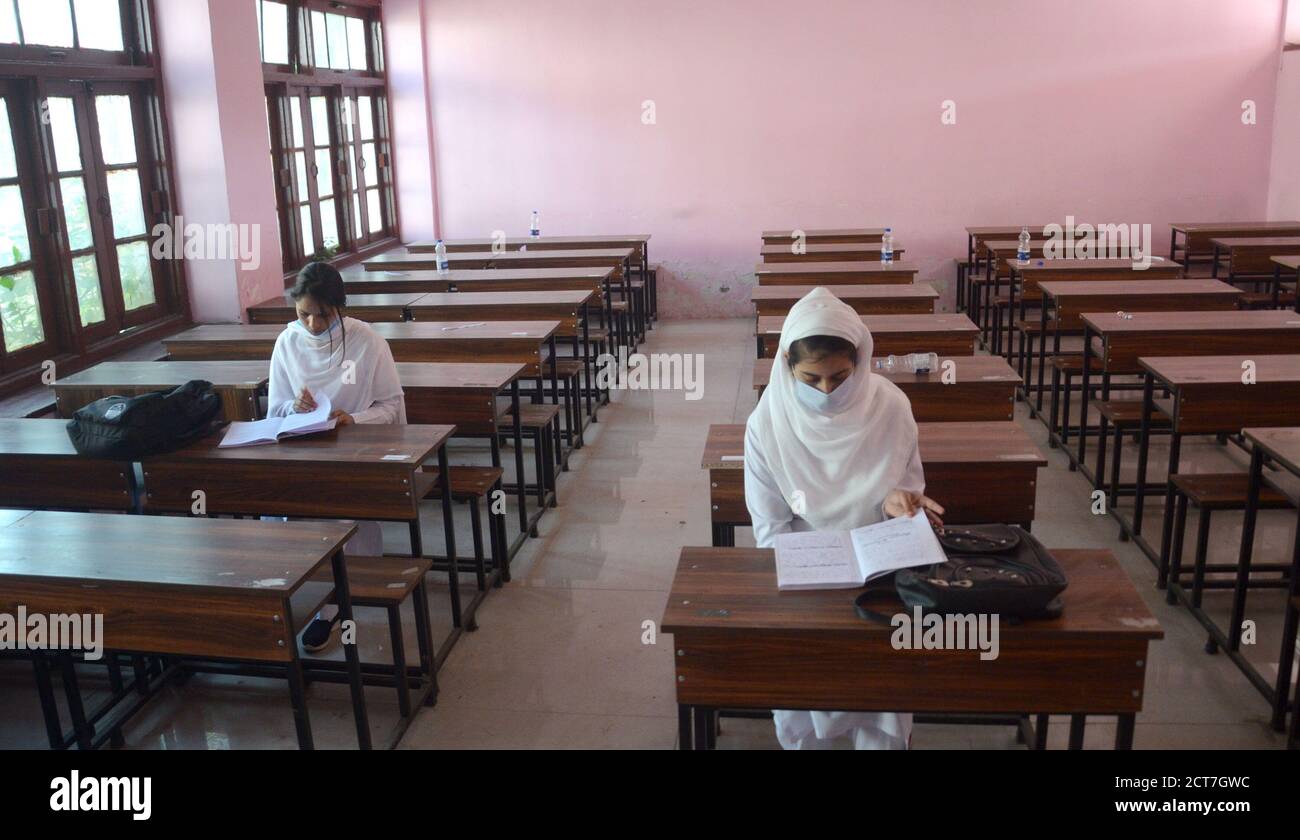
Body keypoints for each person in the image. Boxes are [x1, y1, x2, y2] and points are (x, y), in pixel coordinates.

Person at [744, 286, 944, 750]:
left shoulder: (891, 406)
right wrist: (822, 563)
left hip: (881, 564)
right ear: (787, 368)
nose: (827, 391)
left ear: (860, 362)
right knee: (807, 698)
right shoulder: (767, 422)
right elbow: (770, 526)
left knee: (881, 704)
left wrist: (900, 503)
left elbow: (908, 491)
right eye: (811, 379)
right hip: (803, 567)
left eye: (839, 377)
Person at [267, 261, 406, 652]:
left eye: (322, 314)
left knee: (341, 513)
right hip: (304, 449)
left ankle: (331, 606)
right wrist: (294, 408)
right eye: (303, 314)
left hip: (357, 448)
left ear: (339, 308)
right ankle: (305, 591)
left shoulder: (368, 341)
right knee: (287, 511)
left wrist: (353, 419)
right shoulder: (287, 342)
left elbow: (391, 407)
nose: (311, 324)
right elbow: (273, 409)